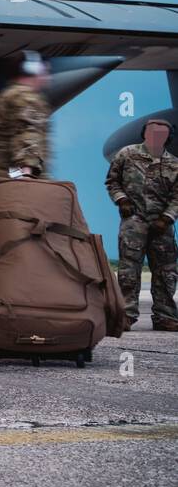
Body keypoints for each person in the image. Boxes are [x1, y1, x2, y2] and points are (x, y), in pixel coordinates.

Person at [105, 118, 178, 332]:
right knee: (128, 271)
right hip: (133, 221)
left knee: (166, 272)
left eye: (162, 133)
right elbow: (112, 181)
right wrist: (121, 200)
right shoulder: (126, 154)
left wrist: (167, 217)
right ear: (144, 134)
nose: (157, 136)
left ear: (168, 137)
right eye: (152, 132)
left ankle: (164, 316)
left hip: (162, 224)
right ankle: (125, 315)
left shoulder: (174, 164)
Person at [0, 51, 51, 181]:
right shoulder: (26, 97)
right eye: (45, 70)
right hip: (19, 188)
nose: (48, 76)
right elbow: (28, 138)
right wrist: (27, 176)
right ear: (30, 69)